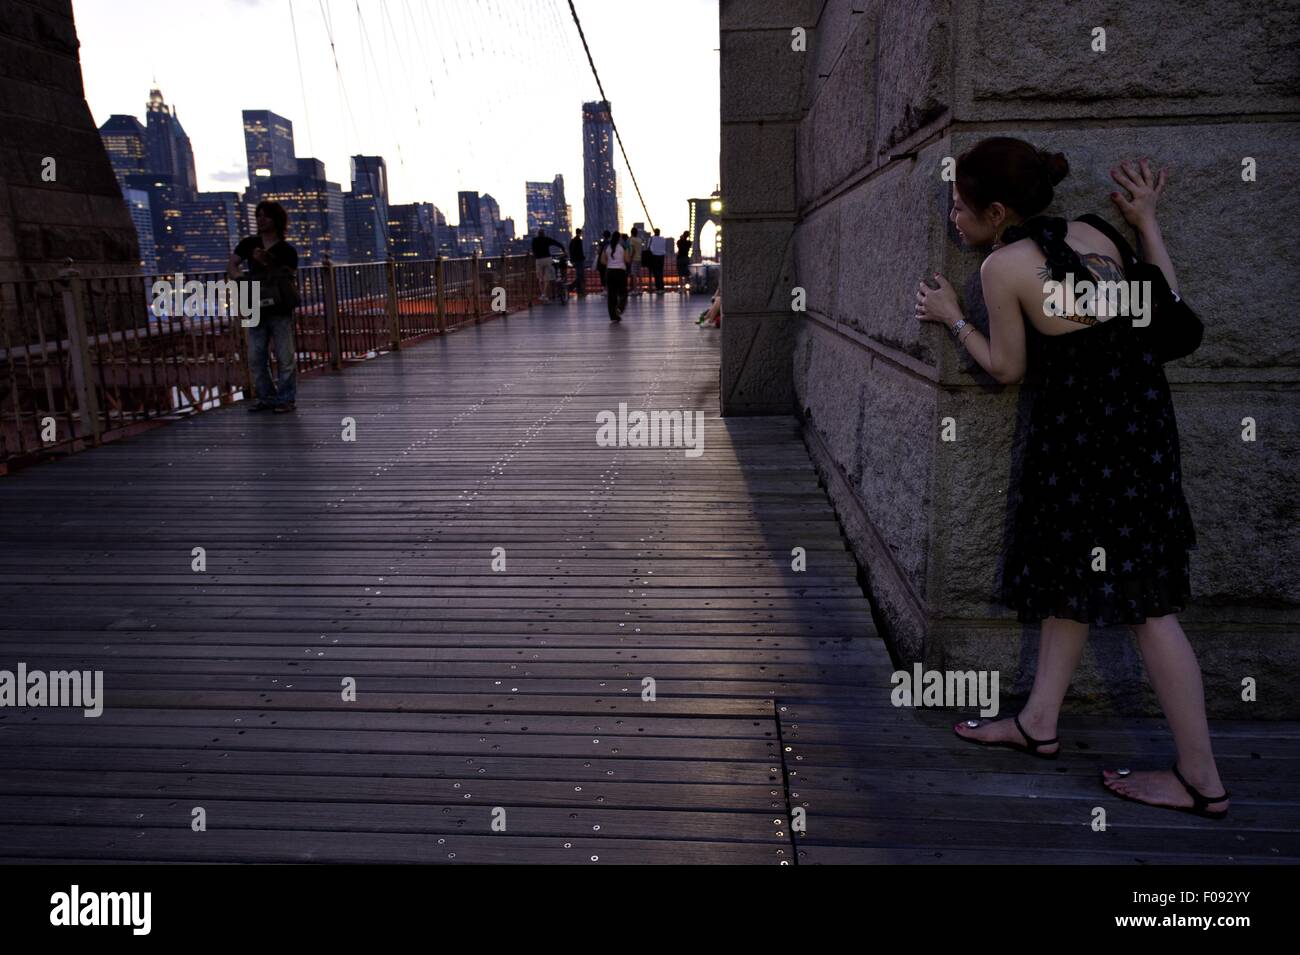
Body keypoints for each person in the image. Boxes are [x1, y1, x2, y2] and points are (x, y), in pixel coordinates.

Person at [914, 136, 1228, 820]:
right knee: (1076, 580)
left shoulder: (1004, 266)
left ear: (997, 211)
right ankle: (1040, 721)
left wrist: (952, 317)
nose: (953, 220)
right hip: (1142, 434)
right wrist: (1146, 223)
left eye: (960, 207)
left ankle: (1202, 780)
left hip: (1087, 447)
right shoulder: (1094, 233)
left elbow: (1005, 367)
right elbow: (1171, 317)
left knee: (1148, 609)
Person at [229, 200, 299, 413]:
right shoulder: (249, 243)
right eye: (258, 215)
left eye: (265, 216)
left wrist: (267, 261)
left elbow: (287, 275)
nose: (260, 219)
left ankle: (285, 398)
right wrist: (240, 278)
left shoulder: (287, 250)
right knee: (256, 356)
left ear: (276, 220)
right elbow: (232, 264)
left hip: (279, 307)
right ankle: (267, 398)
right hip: (255, 305)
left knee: (285, 355)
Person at [532, 228, 565, 302]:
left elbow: (533, 250)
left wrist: (536, 255)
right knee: (547, 279)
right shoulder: (547, 239)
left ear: (538, 234)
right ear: (544, 234)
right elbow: (557, 243)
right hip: (547, 259)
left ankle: (543, 295)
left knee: (540, 279)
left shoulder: (535, 240)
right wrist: (563, 249)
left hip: (539, 260)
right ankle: (544, 295)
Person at [604, 231, 629, 322]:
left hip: (610, 272)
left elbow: (603, 261)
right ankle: (620, 308)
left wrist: (611, 263)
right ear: (619, 238)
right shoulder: (622, 247)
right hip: (620, 272)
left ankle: (613, 317)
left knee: (611, 295)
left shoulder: (607, 247)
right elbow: (627, 259)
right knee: (623, 293)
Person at [568, 228, 586, 296]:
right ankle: (572, 287)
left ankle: (577, 289)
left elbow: (571, 249)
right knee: (580, 276)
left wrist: (572, 259)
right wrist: (582, 257)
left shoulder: (573, 240)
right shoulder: (579, 241)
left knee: (579, 276)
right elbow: (579, 251)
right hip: (579, 260)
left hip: (575, 260)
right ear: (580, 233)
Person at [627, 226, 643, 295]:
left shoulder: (632, 240)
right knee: (639, 275)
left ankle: (635, 290)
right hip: (639, 258)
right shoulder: (639, 240)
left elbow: (633, 250)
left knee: (634, 275)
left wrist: (630, 258)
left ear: (631, 233)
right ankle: (640, 289)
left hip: (634, 259)